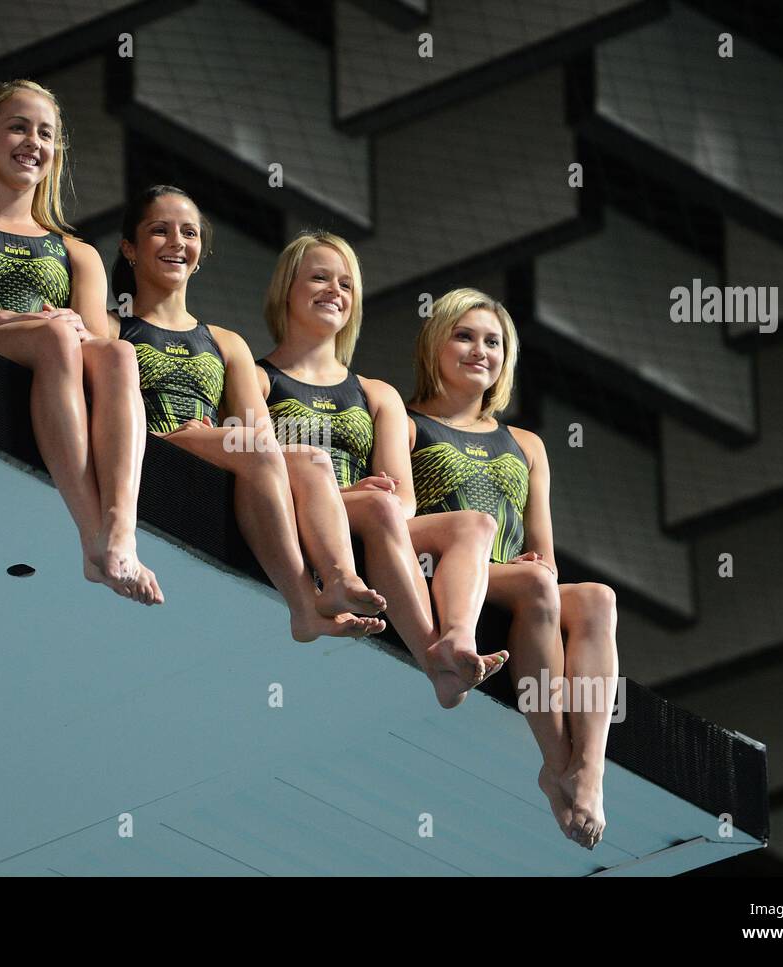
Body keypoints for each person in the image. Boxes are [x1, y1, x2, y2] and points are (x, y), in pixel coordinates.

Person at [0, 79, 162, 605]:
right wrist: (21, 319)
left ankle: (120, 529)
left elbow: (91, 335)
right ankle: (91, 539)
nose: (33, 142)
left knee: (119, 351)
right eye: (18, 127)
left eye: (46, 133)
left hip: (55, 358)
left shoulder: (77, 252)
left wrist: (67, 328)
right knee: (57, 336)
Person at [110, 186, 387, 641]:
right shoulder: (112, 325)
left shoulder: (226, 342)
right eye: (159, 231)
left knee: (309, 457)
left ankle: (338, 579)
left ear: (200, 253)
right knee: (263, 448)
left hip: (210, 448)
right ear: (129, 248)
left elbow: (263, 438)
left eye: (189, 233)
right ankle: (302, 604)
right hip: (152, 446)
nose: (177, 242)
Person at [257, 233, 508, 708]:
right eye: (319, 277)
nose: (335, 290)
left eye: (347, 284)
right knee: (369, 499)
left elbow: (406, 500)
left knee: (475, 523)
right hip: (295, 509)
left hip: (369, 517)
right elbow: (256, 467)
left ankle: (455, 638)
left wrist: (369, 499)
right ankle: (434, 664)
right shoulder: (257, 377)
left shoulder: (378, 394)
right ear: (287, 288)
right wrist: (356, 494)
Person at [408, 288, 620, 849]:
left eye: (493, 342)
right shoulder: (406, 423)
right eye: (464, 336)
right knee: (533, 582)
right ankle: (555, 767)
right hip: (443, 574)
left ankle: (589, 770)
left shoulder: (525, 443)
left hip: (511, 574)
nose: (480, 350)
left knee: (597, 596)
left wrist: (537, 564)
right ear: (436, 345)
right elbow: (400, 527)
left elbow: (543, 548)